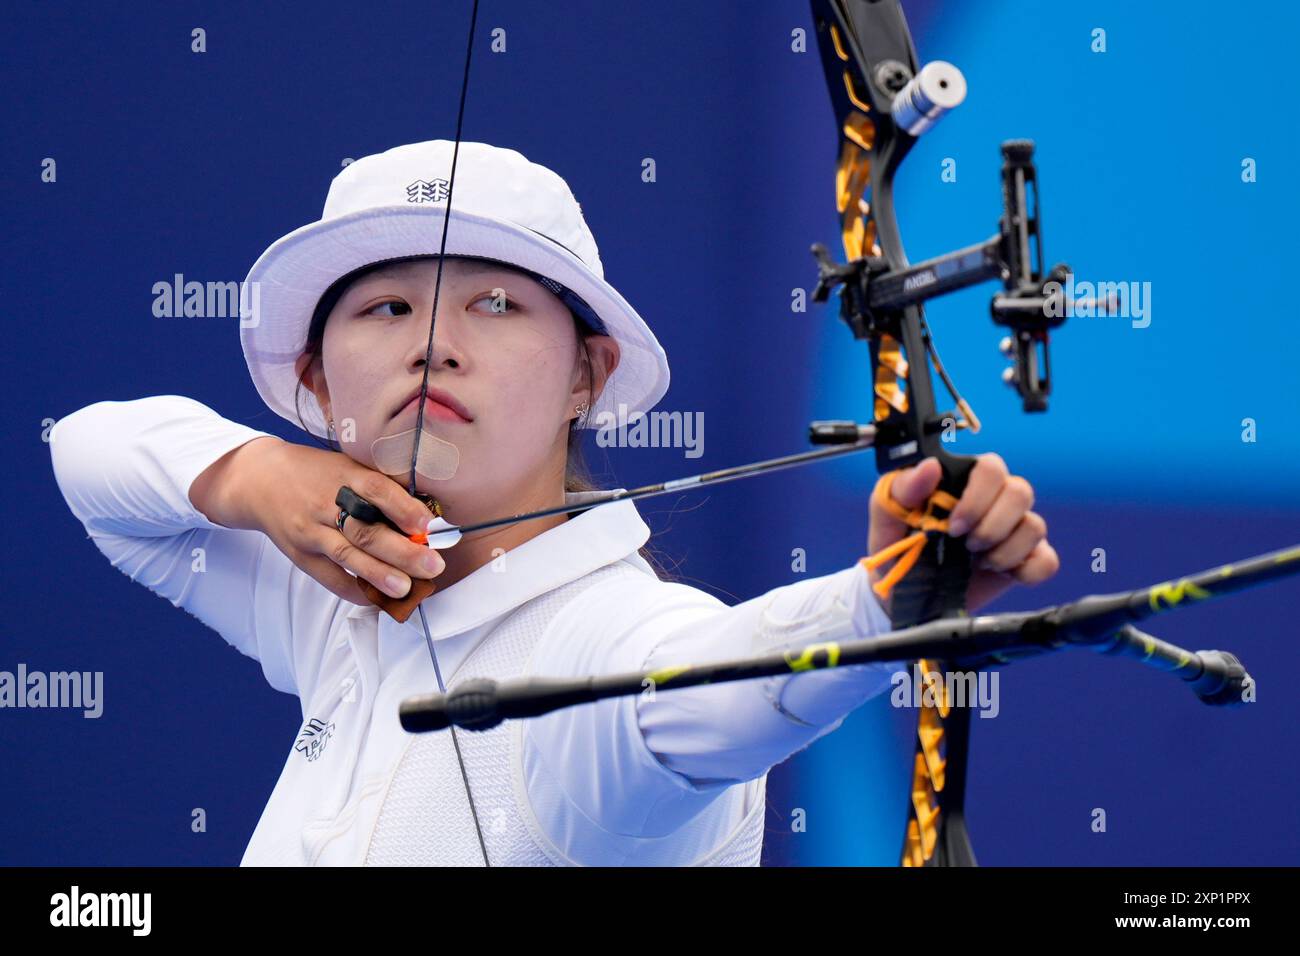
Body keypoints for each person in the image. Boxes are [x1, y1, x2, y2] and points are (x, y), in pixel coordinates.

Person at [49, 140, 1058, 866]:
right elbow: (90, 459)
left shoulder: (609, 630)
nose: (433, 341)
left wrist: (878, 605)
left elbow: (696, 692)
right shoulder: (336, 584)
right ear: (316, 380)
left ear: (588, 374)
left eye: (495, 303)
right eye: (384, 305)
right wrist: (254, 474)